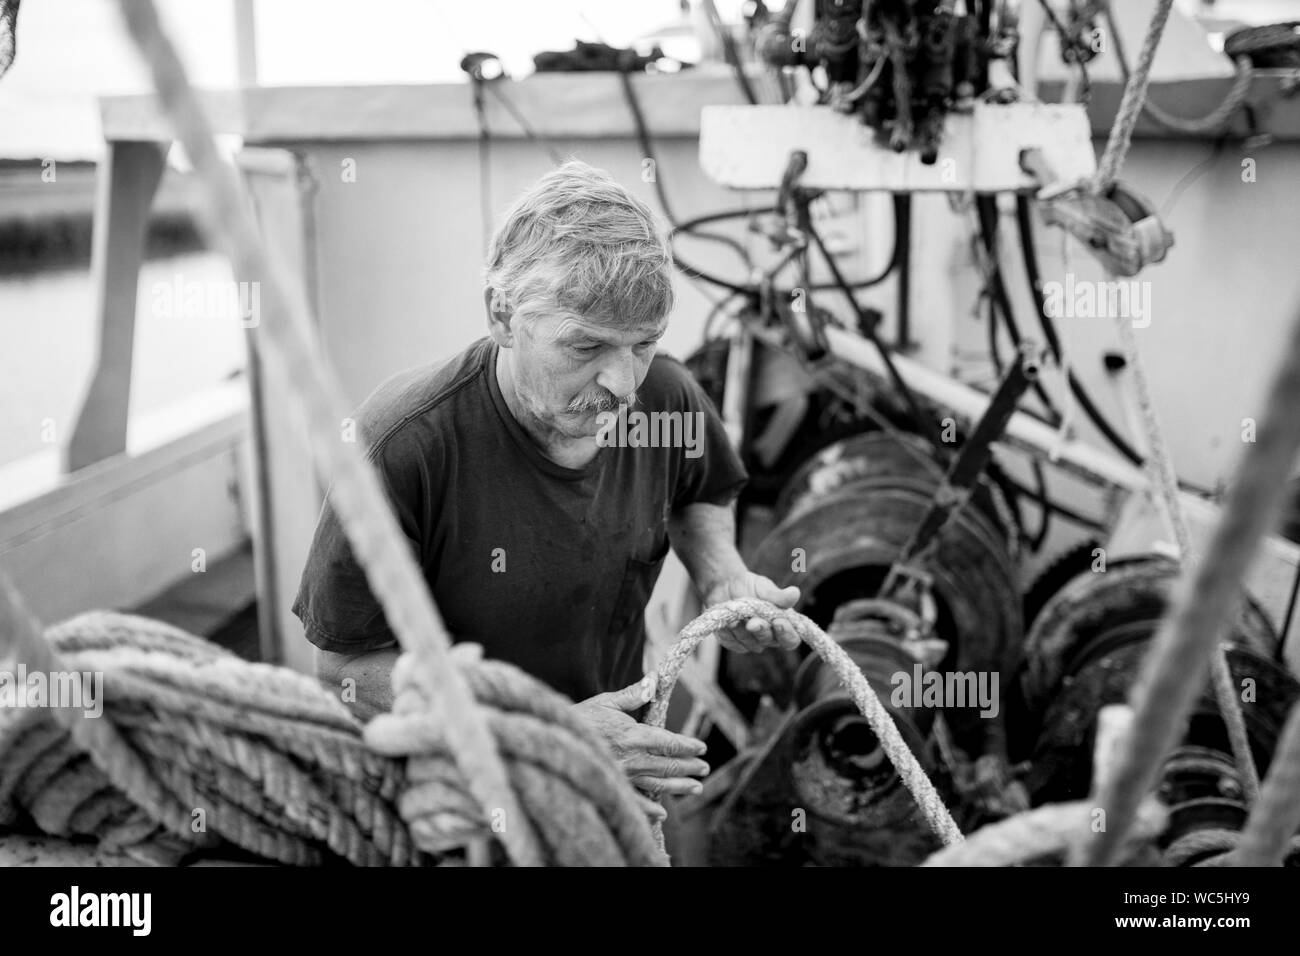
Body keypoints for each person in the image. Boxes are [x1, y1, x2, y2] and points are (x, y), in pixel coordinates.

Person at [294, 159, 800, 799]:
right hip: (456, 787)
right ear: (502, 317)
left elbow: (702, 491)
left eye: (643, 344)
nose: (623, 385)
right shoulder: (401, 445)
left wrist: (721, 576)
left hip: (619, 772)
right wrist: (550, 736)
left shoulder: (666, 400)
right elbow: (345, 668)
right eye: (586, 347)